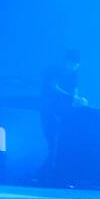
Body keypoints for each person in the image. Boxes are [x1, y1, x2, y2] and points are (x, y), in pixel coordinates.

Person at [39, 49, 87, 184]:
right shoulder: (53, 70)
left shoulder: (74, 74)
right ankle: (46, 173)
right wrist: (71, 97)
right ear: (67, 62)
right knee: (53, 141)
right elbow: (53, 87)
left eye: (77, 65)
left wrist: (78, 99)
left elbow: (75, 90)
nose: (74, 68)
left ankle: (47, 172)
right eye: (73, 64)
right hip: (49, 109)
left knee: (61, 143)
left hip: (63, 112)